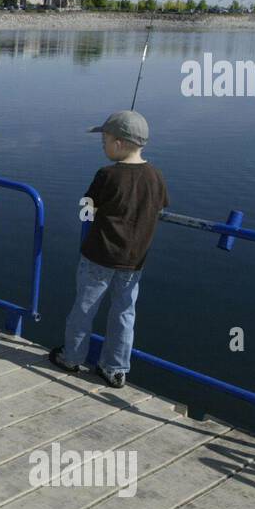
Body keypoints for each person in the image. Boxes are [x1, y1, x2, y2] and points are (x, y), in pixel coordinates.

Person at [50, 110, 169, 388]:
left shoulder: (107, 175)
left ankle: (72, 357)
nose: (102, 145)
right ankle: (115, 369)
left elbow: (85, 211)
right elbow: (160, 207)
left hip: (99, 257)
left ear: (118, 143)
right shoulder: (156, 176)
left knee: (84, 308)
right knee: (124, 313)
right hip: (135, 260)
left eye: (103, 140)